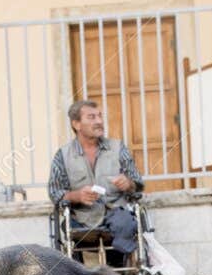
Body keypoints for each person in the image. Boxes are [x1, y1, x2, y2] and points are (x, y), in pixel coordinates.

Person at [47, 100, 144, 265]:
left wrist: (129, 184)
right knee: (69, 229)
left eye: (99, 116)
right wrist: (76, 195)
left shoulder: (118, 148)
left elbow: (137, 185)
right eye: (91, 117)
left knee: (125, 223)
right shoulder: (63, 155)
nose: (99, 121)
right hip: (82, 217)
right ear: (76, 124)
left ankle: (118, 270)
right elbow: (55, 192)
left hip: (115, 213)